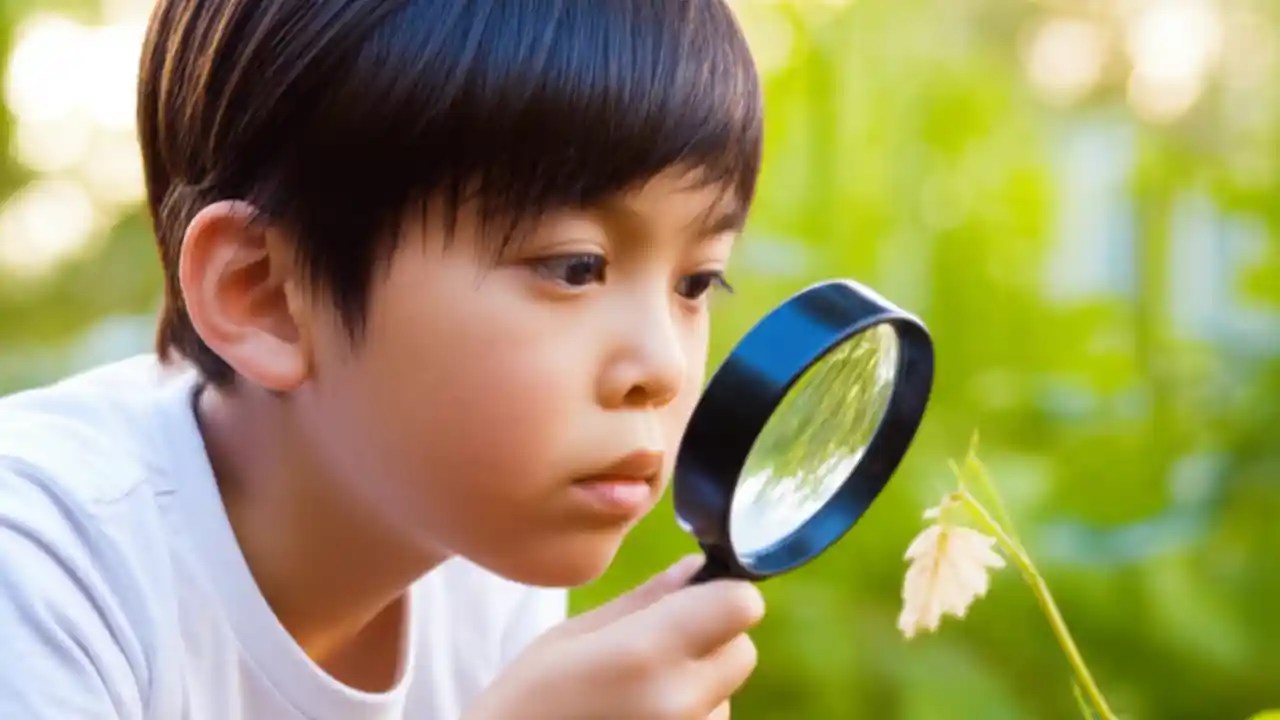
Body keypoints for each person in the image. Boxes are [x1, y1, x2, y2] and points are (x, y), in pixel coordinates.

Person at [0, 1, 768, 718]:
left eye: (696, 282)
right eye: (575, 267)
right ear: (264, 294)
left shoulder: (477, 555)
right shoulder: (38, 575)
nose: (663, 367)